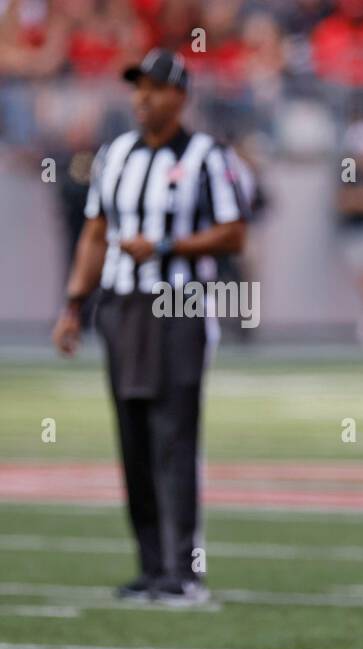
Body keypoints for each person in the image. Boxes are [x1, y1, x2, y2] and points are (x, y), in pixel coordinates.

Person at [52, 49, 248, 605]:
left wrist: (166, 245)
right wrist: (73, 304)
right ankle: (150, 565)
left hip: (179, 301)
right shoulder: (114, 155)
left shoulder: (208, 156)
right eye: (138, 87)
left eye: (156, 88)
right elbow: (95, 232)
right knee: (133, 434)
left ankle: (184, 570)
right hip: (121, 303)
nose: (143, 97)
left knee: (174, 434)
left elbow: (234, 233)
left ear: (181, 97)